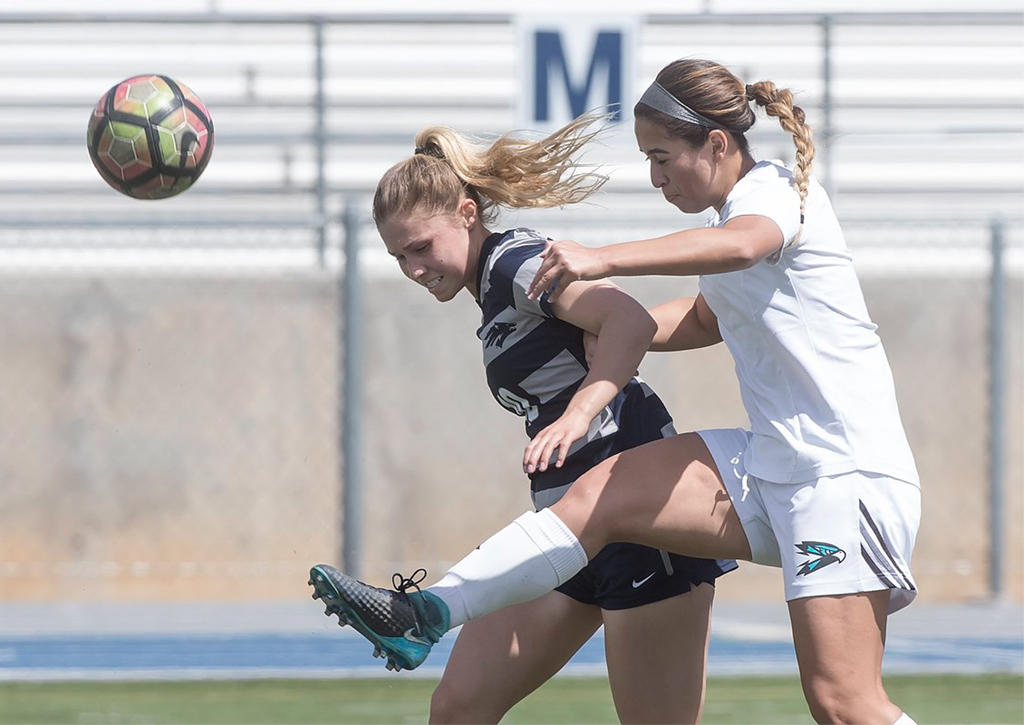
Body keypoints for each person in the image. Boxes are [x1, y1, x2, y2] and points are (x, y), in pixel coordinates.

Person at [311, 58, 922, 725]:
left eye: (662, 158)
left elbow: (745, 246)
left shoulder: (771, 192)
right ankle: (423, 613)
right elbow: (705, 318)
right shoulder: (724, 223)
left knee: (843, 703)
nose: (655, 177)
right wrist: (611, 336)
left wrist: (606, 266)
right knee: (595, 499)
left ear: (716, 144)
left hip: (842, 471)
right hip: (775, 459)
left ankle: (424, 612)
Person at [311, 115, 737, 723]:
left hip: (639, 526)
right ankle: (416, 618)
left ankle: (418, 613)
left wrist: (579, 414)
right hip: (567, 530)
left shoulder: (513, 262)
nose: (412, 268)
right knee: (457, 709)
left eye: (421, 247)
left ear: (465, 213)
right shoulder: (490, 288)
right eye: (398, 255)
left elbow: (631, 322)